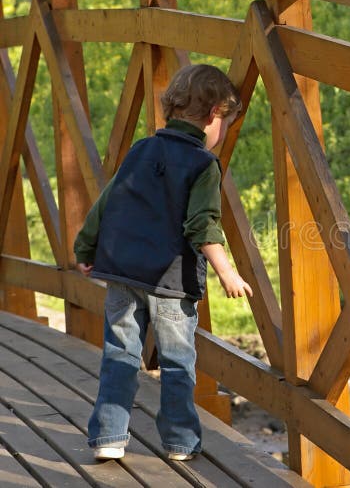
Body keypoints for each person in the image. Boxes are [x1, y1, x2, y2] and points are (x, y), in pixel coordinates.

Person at [74, 64, 253, 462]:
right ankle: (180, 442)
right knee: (176, 363)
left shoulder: (141, 150)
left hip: (123, 273)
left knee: (120, 354)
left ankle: (108, 436)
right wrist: (227, 271)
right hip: (171, 282)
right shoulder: (203, 164)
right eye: (225, 122)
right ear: (213, 118)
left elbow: (107, 202)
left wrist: (85, 249)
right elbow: (201, 225)